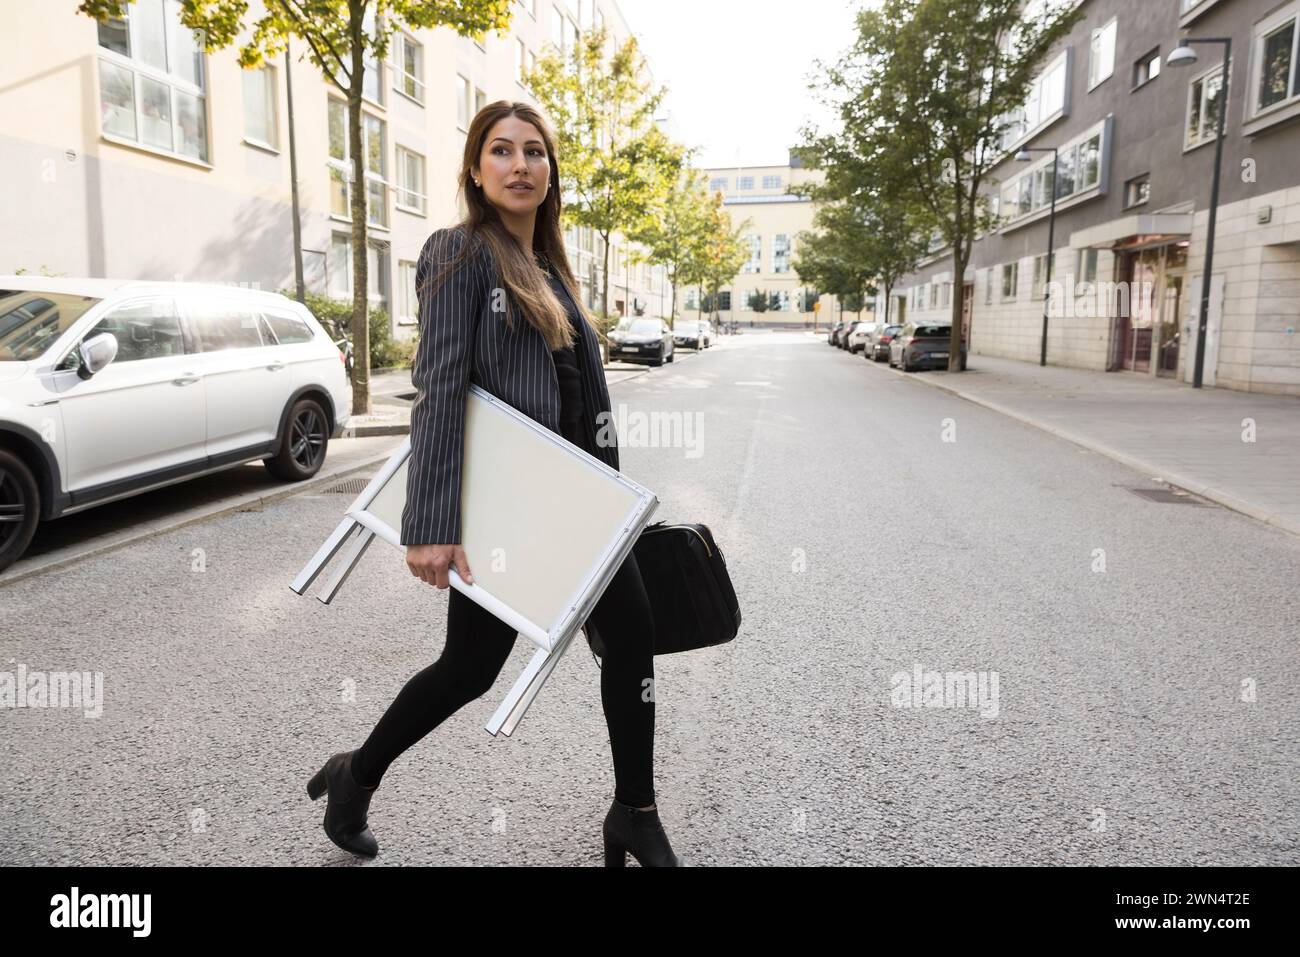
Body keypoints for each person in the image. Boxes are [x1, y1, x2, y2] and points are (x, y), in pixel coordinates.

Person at [306, 101, 685, 867]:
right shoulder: (459, 253)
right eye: (502, 150)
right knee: (470, 669)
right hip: (511, 504)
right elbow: (440, 389)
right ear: (476, 172)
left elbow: (579, 397)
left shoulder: (551, 264)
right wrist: (431, 524)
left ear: (551, 172)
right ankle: (356, 773)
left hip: (579, 502)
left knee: (634, 634)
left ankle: (634, 810)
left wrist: (614, 505)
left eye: (535, 152)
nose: (521, 165)